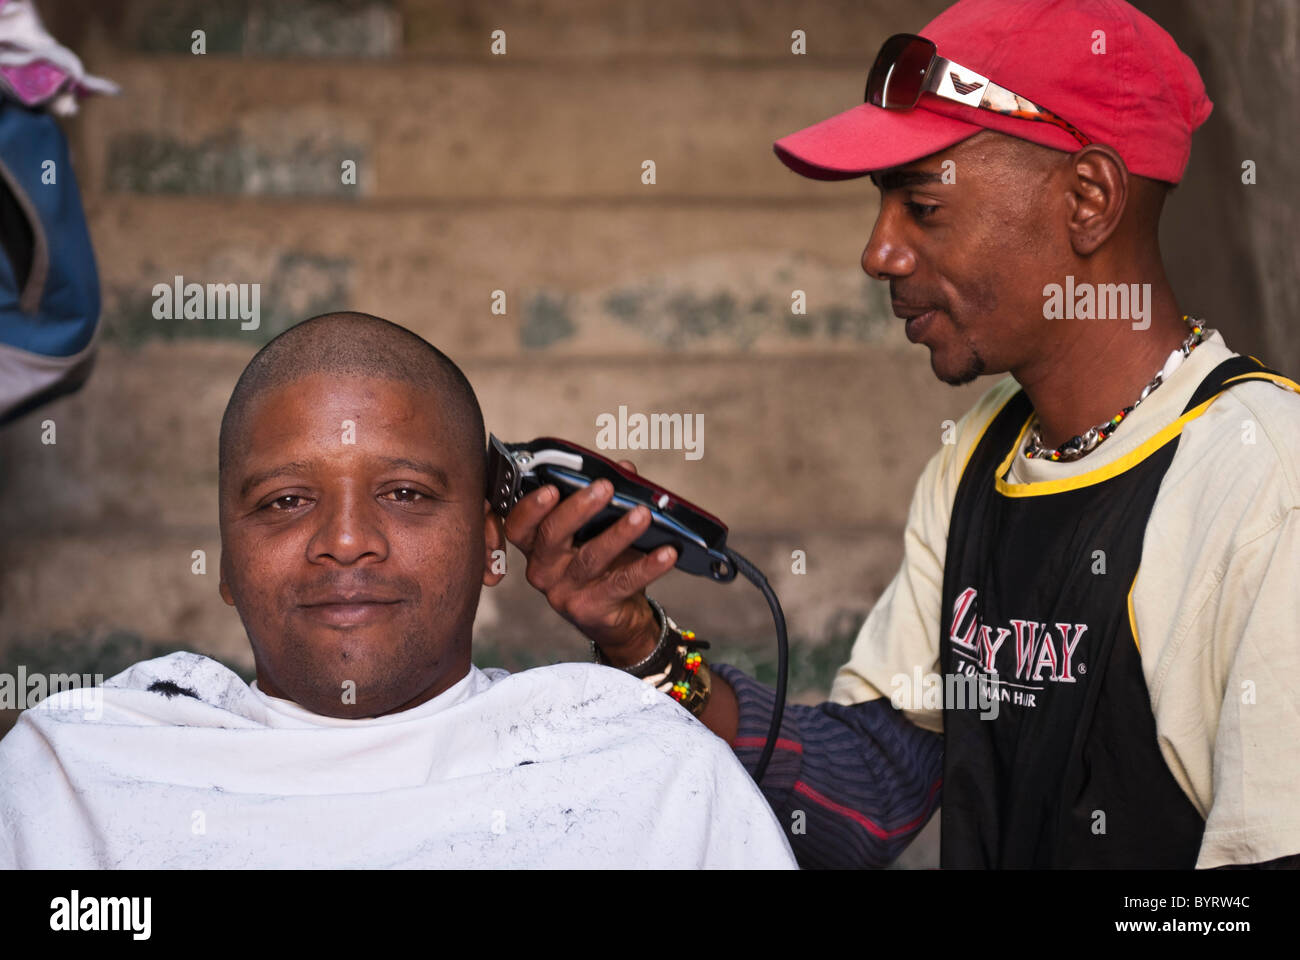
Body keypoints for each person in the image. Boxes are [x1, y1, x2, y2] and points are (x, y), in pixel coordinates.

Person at [501, 0, 1300, 868]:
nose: (878, 253)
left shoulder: (1263, 479)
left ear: (1089, 200)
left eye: (922, 205)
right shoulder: (980, 457)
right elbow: (872, 790)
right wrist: (641, 642)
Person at [0, 312, 796, 869]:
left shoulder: (649, 776)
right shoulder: (77, 780)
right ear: (227, 567)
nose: (346, 539)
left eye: (406, 494)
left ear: (492, 541)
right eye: (285, 502)